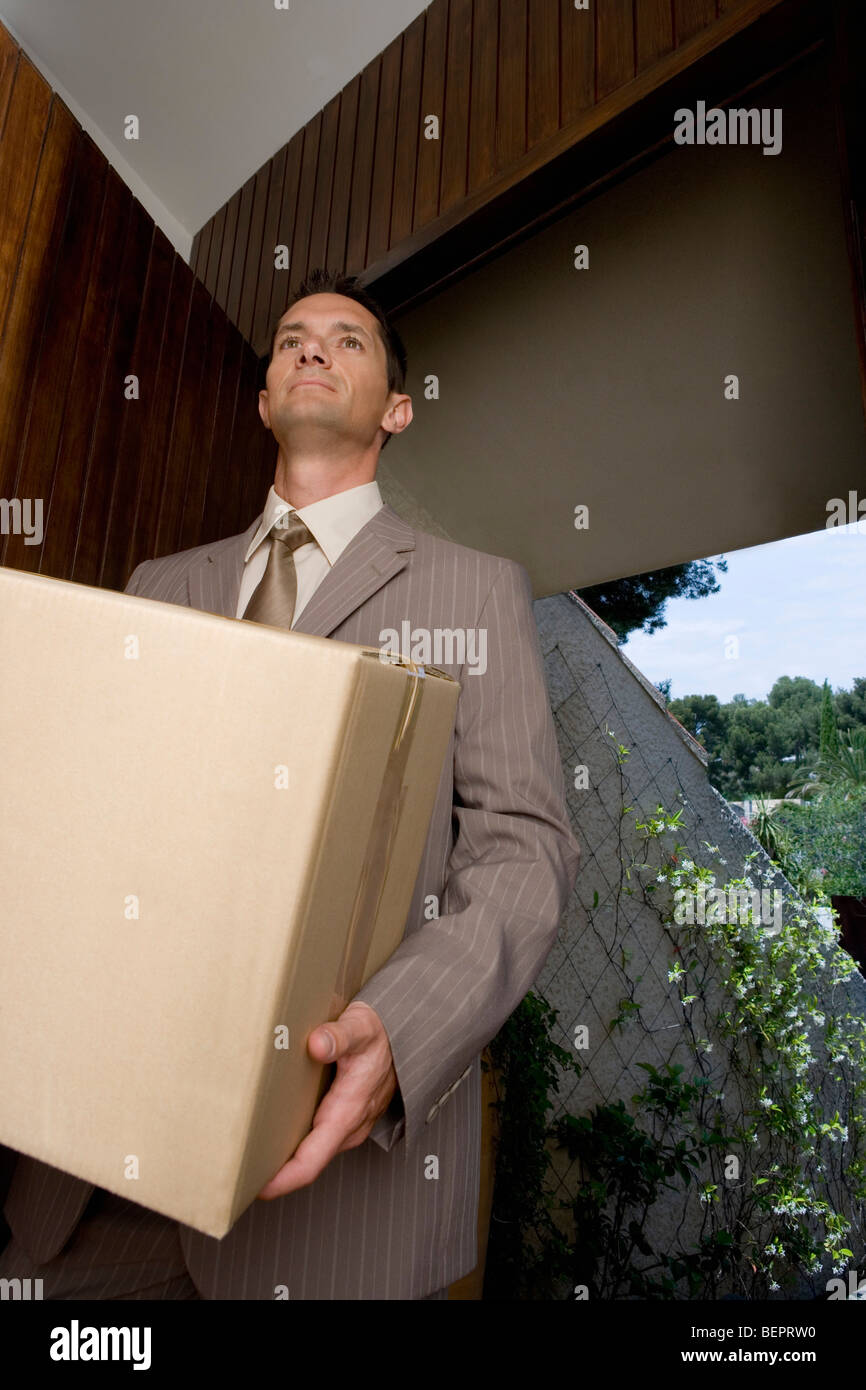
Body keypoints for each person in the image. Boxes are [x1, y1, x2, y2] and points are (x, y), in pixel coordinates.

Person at [0, 268, 581, 1300]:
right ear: (265, 398)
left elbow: (521, 852)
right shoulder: (157, 585)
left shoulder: (474, 590)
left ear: (397, 409)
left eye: (347, 341)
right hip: (88, 1189)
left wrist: (401, 1031)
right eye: (290, 339)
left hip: (320, 1218)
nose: (312, 348)